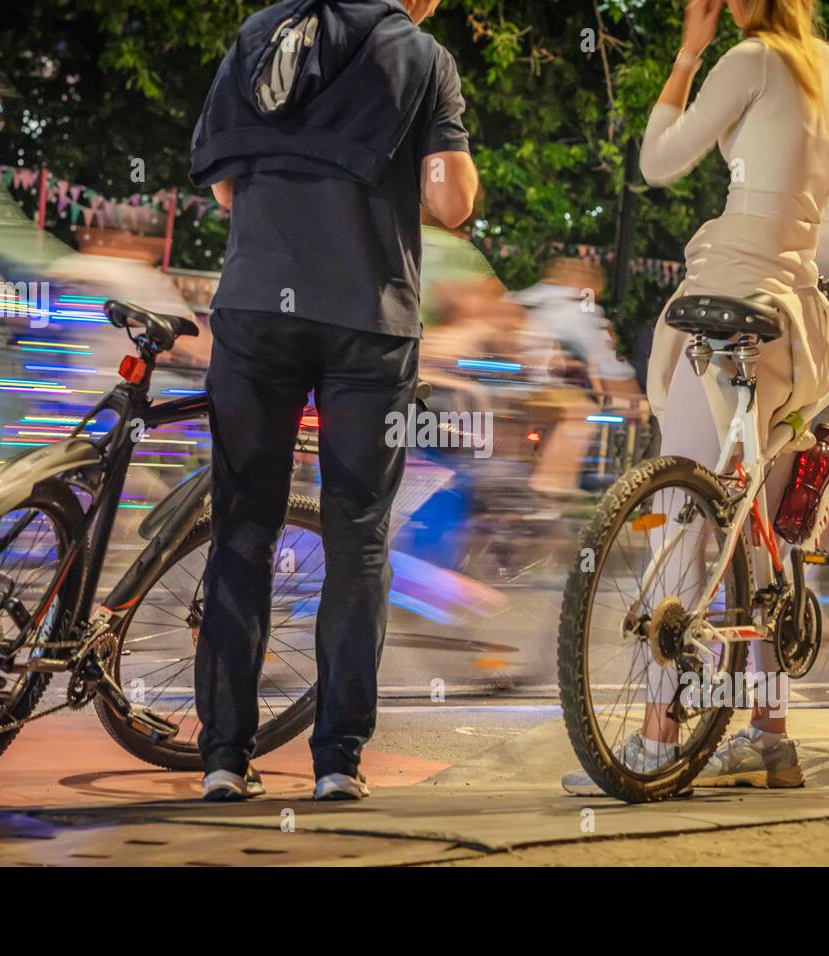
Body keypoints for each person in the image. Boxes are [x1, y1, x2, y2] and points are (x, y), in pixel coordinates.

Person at [563, 0, 829, 794]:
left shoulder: (747, 61)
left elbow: (657, 161)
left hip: (722, 301)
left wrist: (687, 55)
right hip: (796, 324)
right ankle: (770, 736)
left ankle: (654, 739)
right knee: (767, 527)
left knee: (686, 515)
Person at [188, 0, 477, 802]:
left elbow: (220, 188)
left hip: (254, 312)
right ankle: (337, 763)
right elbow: (451, 203)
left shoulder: (260, 34)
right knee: (357, 538)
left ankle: (222, 757)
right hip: (367, 320)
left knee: (242, 529)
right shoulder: (422, 57)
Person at [515, 256, 644, 496]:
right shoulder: (580, 308)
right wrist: (638, 402)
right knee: (580, 415)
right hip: (538, 388)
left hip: (503, 384)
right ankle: (552, 489)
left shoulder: (526, 298)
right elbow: (610, 364)